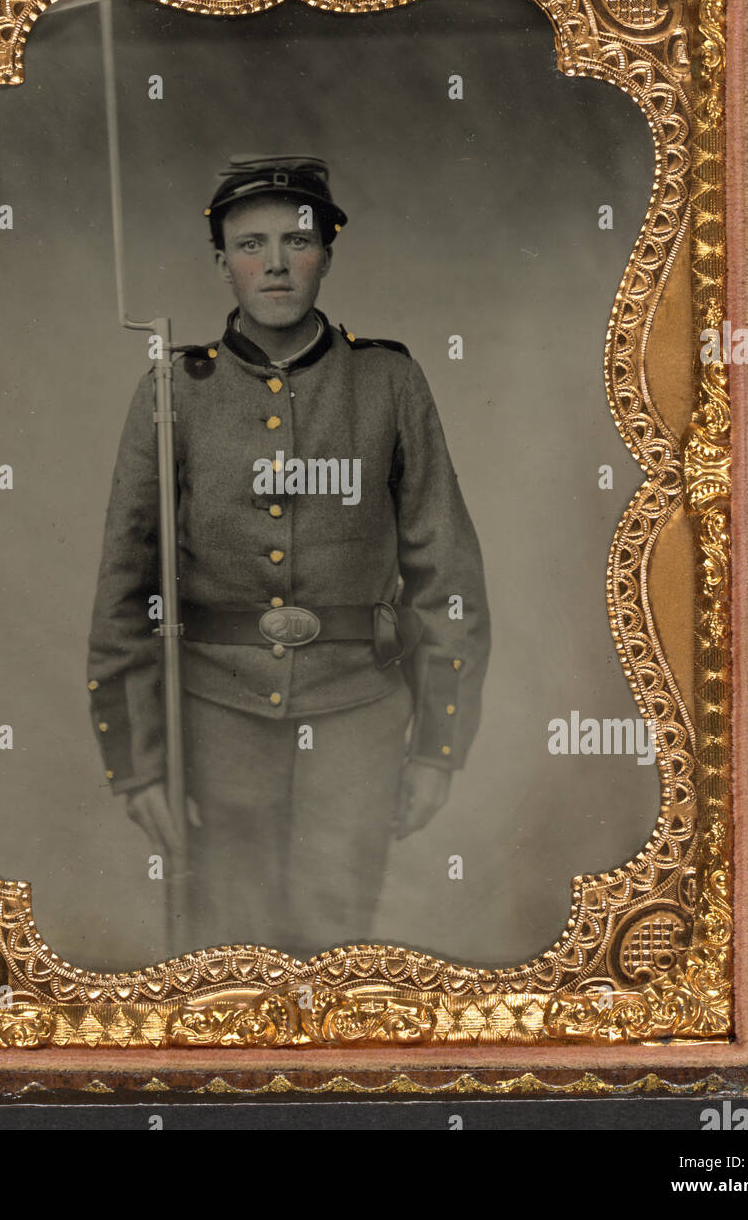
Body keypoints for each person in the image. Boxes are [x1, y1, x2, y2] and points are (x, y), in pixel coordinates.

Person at [87, 155, 489, 955]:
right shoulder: (174, 389)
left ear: (326, 255)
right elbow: (125, 587)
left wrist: (437, 749)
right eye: (250, 245)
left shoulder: (388, 382)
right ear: (222, 264)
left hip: (358, 717)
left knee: (337, 938)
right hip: (215, 716)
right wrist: (135, 765)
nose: (274, 263)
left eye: (296, 241)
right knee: (229, 945)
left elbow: (446, 576)